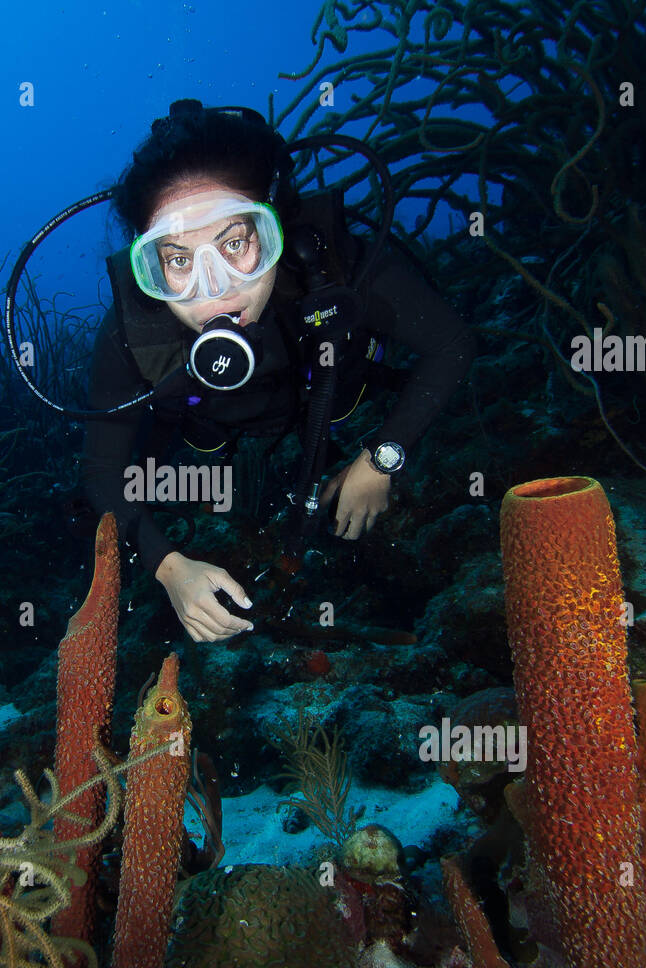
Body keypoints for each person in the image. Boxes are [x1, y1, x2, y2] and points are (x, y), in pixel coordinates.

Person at [80, 101, 476, 643]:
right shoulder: (132, 331)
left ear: (275, 226)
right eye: (177, 260)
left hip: (331, 397)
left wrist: (384, 457)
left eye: (235, 243)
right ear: (148, 267)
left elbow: (450, 344)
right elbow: (102, 469)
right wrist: (168, 567)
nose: (213, 287)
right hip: (209, 430)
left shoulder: (333, 265)